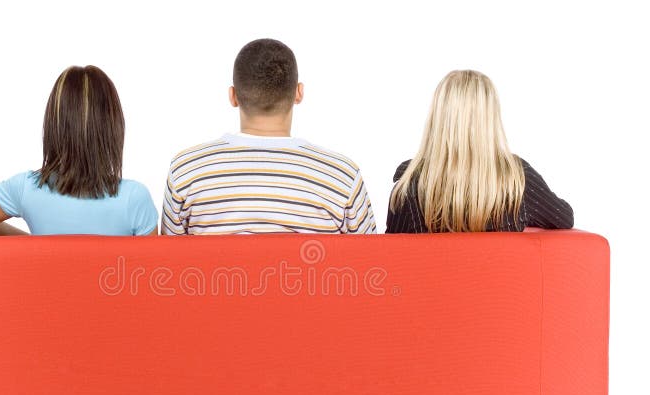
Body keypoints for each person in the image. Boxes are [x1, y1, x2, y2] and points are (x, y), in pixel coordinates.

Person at [161, 38, 376, 235]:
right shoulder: (343, 177)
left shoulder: (186, 172)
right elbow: (369, 265)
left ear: (233, 96)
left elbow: (170, 265)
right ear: (299, 93)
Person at [0, 65, 158, 236]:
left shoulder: (24, 188)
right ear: (113, 127)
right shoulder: (136, 198)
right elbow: (150, 270)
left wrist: (35, 245)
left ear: (54, 125)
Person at [386, 70, 573, 233]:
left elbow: (393, 253)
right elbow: (563, 217)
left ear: (438, 117)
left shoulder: (409, 181)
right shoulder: (516, 179)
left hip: (429, 274)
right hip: (502, 274)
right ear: (490, 119)